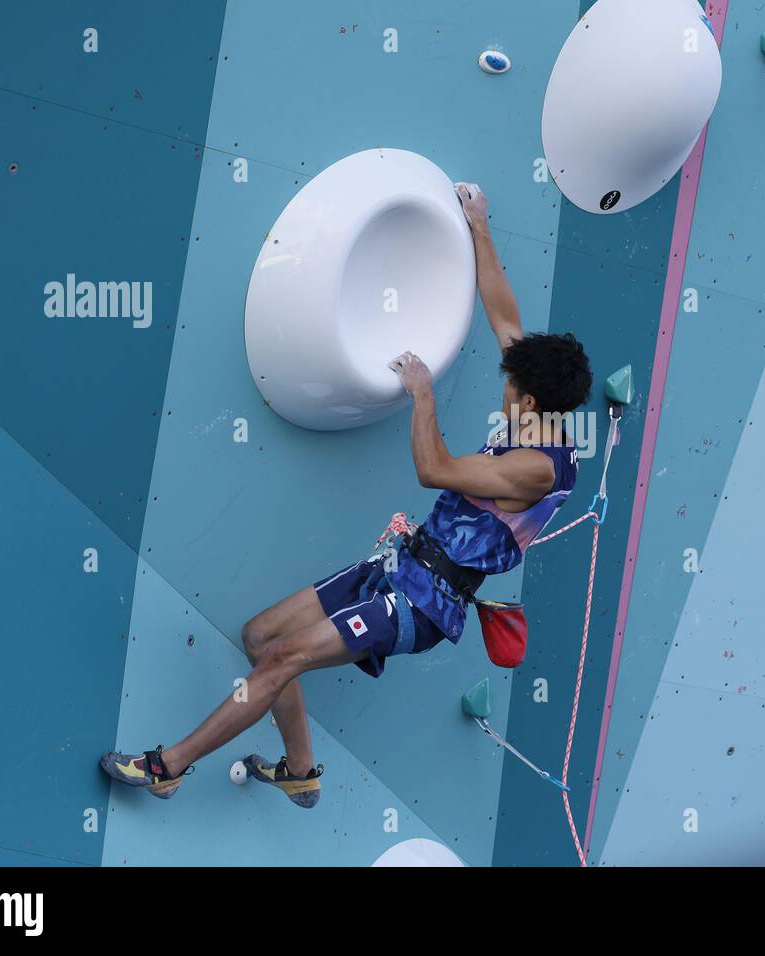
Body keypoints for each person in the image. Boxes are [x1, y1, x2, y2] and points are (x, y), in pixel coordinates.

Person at [100, 185, 593, 807]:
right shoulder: (540, 407)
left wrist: (421, 392)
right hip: (398, 564)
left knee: (281, 657)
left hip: (425, 604)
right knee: (260, 635)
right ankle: (301, 772)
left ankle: (168, 766)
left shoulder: (535, 469)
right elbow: (503, 312)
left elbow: (434, 469)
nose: (502, 388)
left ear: (527, 400)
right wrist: (477, 223)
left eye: (508, 385)